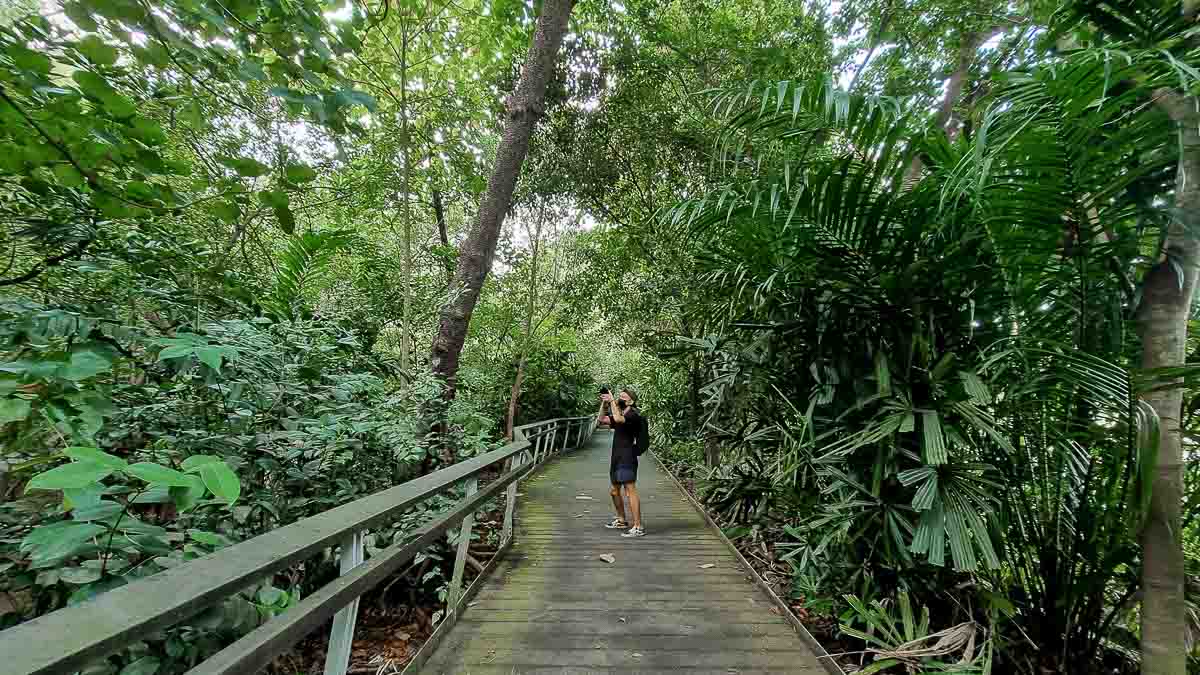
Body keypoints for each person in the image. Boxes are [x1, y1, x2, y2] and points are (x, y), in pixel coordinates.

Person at [602, 388, 644, 538]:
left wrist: (612, 400)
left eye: (623, 398)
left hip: (627, 456)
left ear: (631, 401)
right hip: (616, 456)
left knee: (629, 489)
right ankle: (621, 520)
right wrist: (604, 404)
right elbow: (602, 420)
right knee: (614, 490)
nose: (620, 399)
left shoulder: (633, 414)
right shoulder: (620, 413)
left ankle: (638, 526)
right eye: (619, 397)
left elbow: (619, 420)